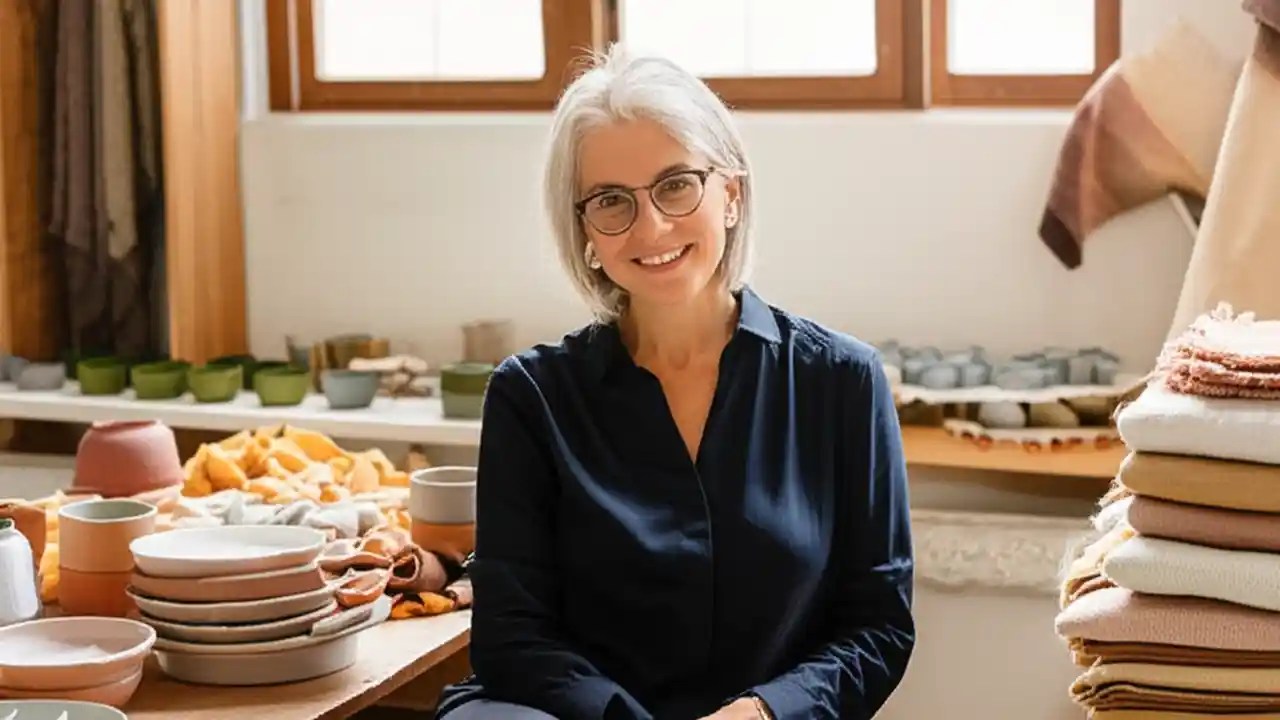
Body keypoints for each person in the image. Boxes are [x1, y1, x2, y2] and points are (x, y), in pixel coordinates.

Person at [436, 46, 915, 720]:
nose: (651, 226)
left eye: (676, 184)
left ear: (731, 195)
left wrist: (764, 712)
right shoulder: (530, 394)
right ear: (585, 232)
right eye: (611, 201)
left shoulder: (842, 381)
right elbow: (512, 637)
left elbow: (877, 628)